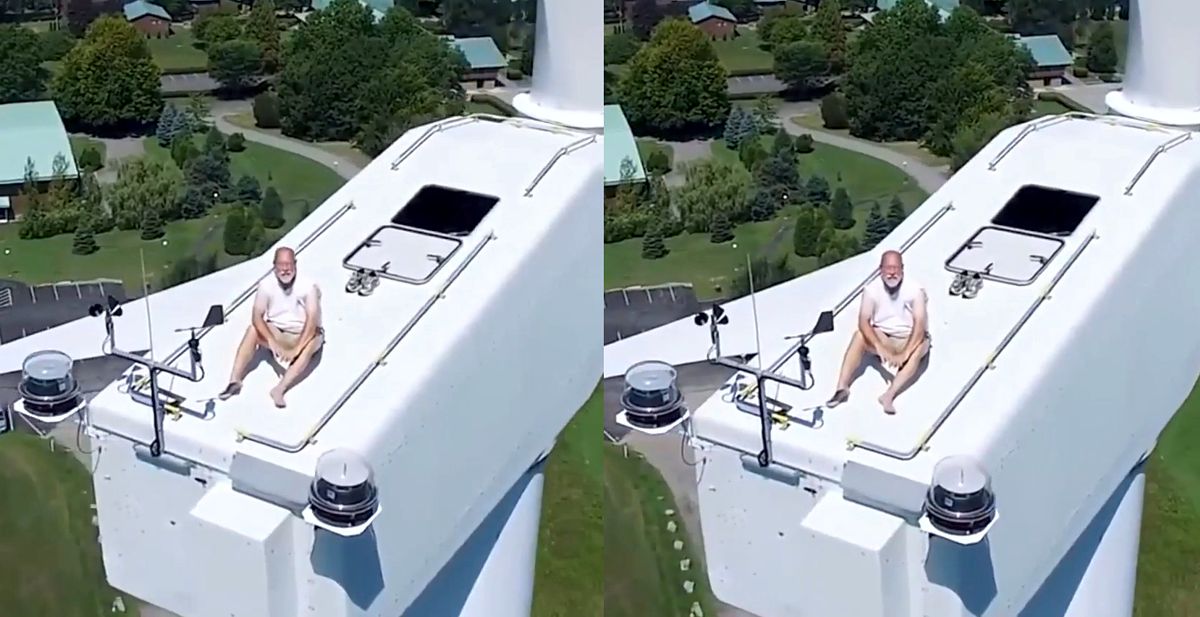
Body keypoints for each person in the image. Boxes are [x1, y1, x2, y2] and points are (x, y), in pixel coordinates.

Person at [825, 250, 929, 415]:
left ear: (902, 269)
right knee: (859, 335)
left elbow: (920, 324)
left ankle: (889, 395)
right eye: (888, 268)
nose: (892, 272)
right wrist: (880, 347)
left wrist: (905, 353)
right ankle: (842, 388)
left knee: (922, 344)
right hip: (884, 336)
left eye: (896, 268)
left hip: (908, 337)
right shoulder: (871, 290)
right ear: (881, 269)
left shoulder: (915, 290)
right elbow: (863, 321)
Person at [218, 246, 324, 408]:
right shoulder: (266, 285)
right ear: (274, 266)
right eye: (281, 264)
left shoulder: (307, 286)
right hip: (278, 331)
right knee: (252, 330)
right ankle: (235, 380)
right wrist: (271, 341)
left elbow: (312, 321)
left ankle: (280, 389)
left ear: (295, 264)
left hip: (302, 333)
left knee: (312, 341)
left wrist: (296, 349)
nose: (285, 269)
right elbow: (256, 316)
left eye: (289, 264)